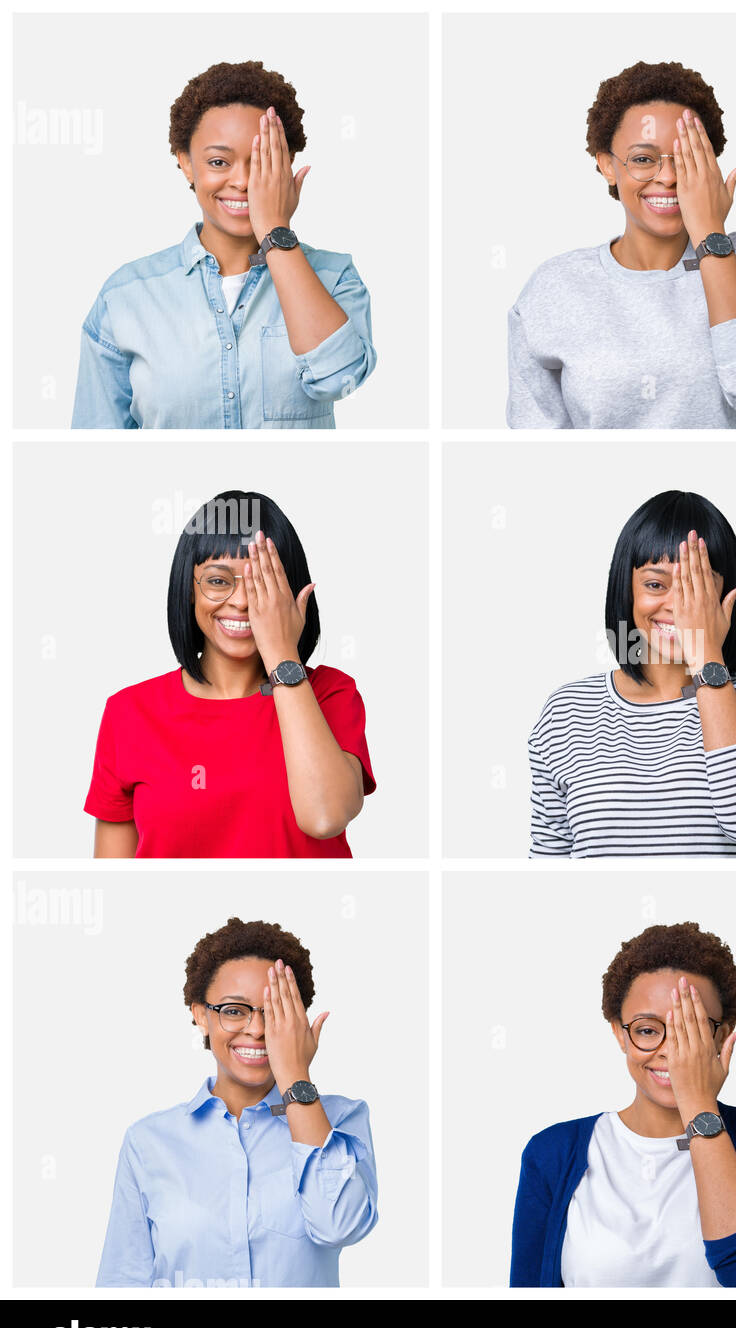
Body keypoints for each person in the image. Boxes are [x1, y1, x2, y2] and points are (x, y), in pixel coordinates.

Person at [73, 60, 375, 428]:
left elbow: (337, 379)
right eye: (219, 161)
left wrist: (275, 231)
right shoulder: (123, 297)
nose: (243, 181)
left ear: (287, 161)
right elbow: (96, 450)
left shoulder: (335, 277)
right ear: (186, 163)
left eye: (261, 160)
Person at [508, 60, 736, 429]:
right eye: (643, 159)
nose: (666, 177)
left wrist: (710, 232)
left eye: (684, 160)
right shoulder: (555, 287)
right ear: (607, 165)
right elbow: (537, 440)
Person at [85, 490, 375, 857]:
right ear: (189, 590)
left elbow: (324, 818)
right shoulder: (128, 712)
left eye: (262, 584)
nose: (240, 602)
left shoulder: (331, 693)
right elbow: (116, 887)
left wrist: (282, 653)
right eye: (218, 581)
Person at [510, 921, 736, 1287]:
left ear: (723, 1036)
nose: (670, 1051)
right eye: (648, 1030)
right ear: (620, 1033)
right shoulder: (552, 1152)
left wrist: (698, 1103)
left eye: (691, 1030)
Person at [96, 917, 378, 1287]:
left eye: (275, 1011)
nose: (258, 1029)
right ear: (201, 1015)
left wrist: (295, 1075)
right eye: (233, 1010)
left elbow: (339, 1225)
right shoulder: (148, 1142)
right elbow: (123, 1283)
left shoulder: (340, 1120)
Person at [529, 490, 736, 857]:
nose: (677, 606)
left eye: (696, 586)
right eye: (656, 585)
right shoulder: (567, 710)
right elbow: (549, 867)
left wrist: (706, 655)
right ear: (626, 590)